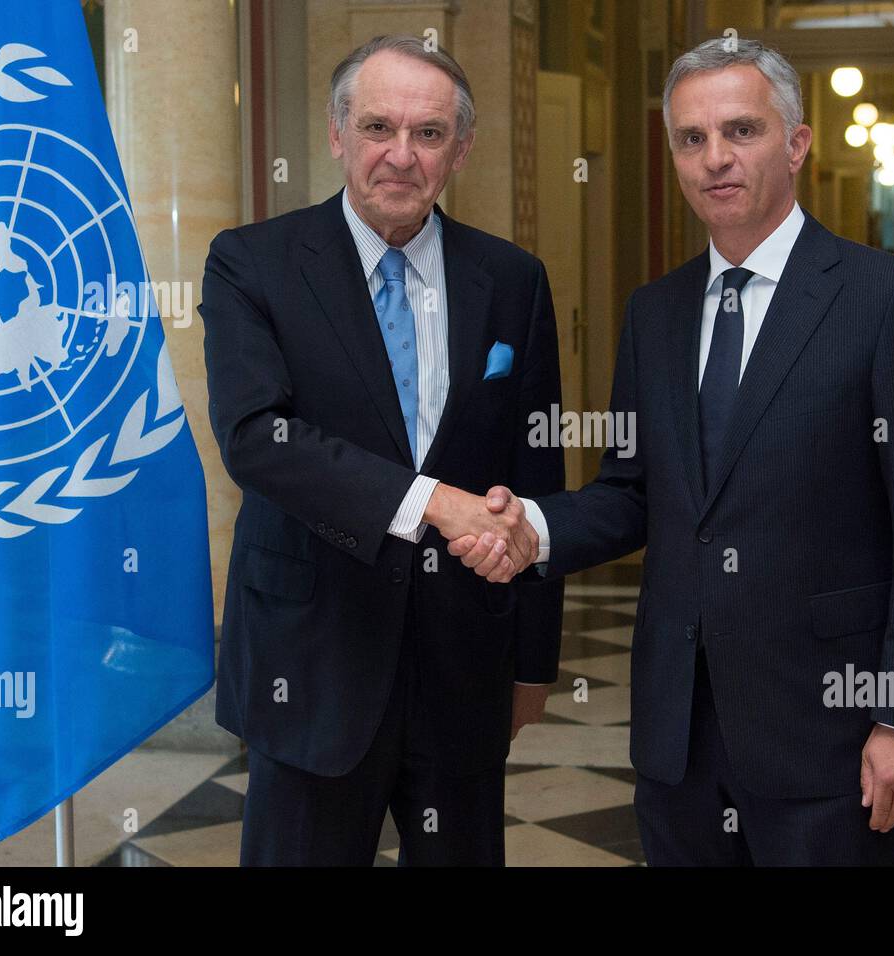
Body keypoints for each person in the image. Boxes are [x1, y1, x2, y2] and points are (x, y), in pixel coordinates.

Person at [449, 38, 894, 866]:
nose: (715, 159)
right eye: (691, 139)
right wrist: (532, 531)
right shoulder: (654, 313)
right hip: (678, 736)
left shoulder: (890, 301)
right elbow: (631, 494)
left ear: (797, 143)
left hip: (828, 736)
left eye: (741, 131)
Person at [200, 34, 563, 866]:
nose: (400, 155)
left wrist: (534, 662)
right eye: (377, 128)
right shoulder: (251, 265)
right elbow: (258, 441)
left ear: (460, 149)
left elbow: (537, 471)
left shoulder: (512, 279)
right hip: (310, 664)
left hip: (465, 670)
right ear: (337, 135)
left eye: (429, 133)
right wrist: (434, 501)